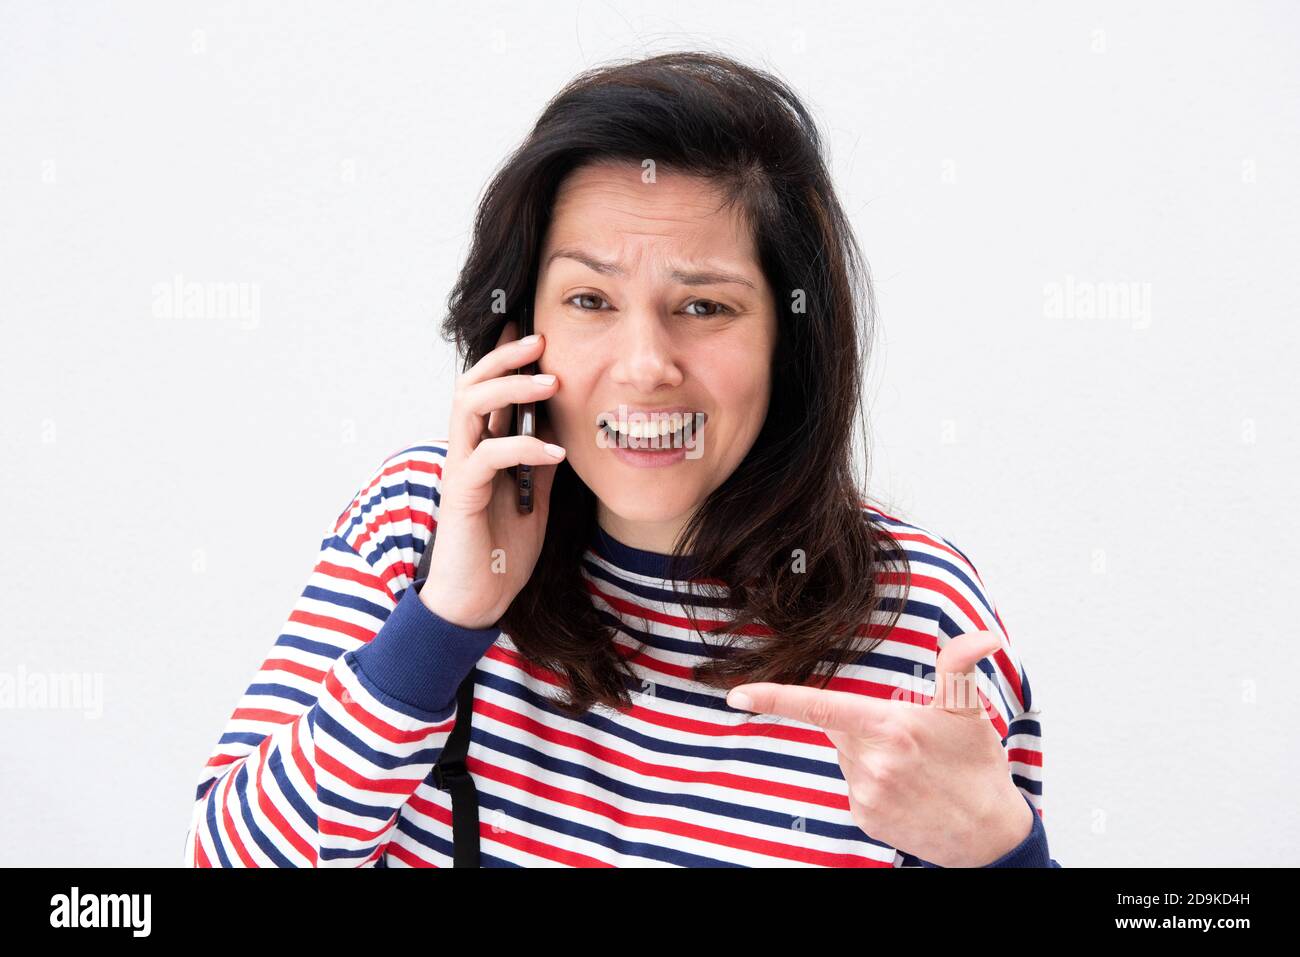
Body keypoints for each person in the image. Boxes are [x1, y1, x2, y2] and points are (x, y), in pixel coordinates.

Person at [183, 51, 1059, 868]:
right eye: (591, 299)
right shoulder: (419, 520)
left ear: (790, 343)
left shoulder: (918, 617)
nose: (644, 365)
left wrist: (1001, 853)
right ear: (521, 328)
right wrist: (447, 618)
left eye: (706, 307)